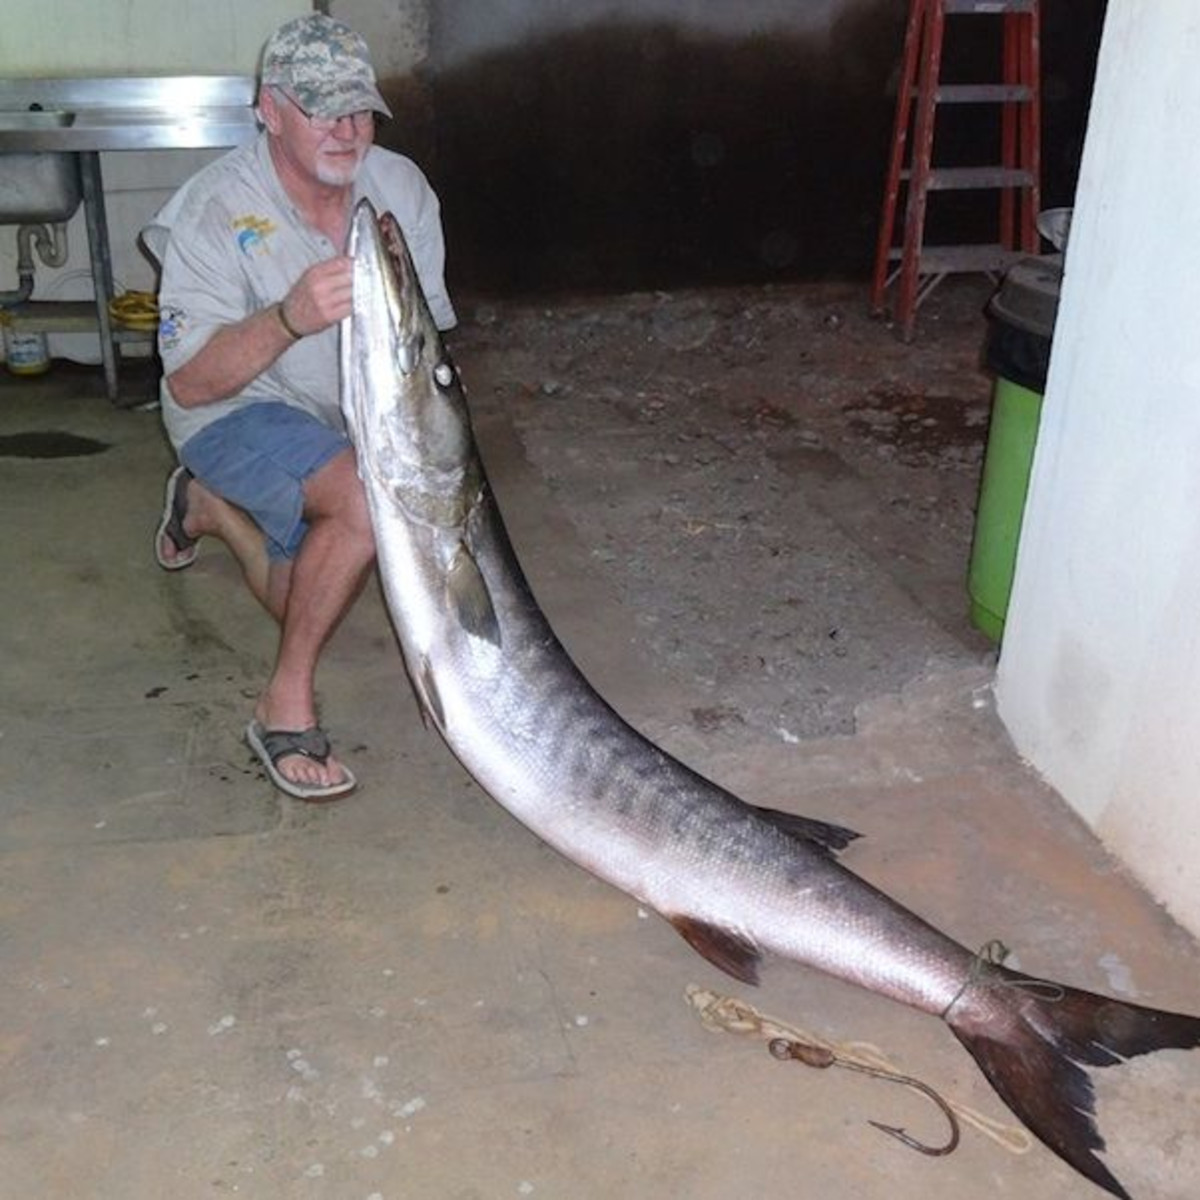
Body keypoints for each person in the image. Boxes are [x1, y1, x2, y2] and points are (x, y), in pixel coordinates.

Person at [146, 13, 457, 801]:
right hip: (232, 409)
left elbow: (427, 344)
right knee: (362, 500)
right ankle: (282, 705)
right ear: (269, 110)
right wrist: (289, 317)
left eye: (360, 109)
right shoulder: (211, 209)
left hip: (343, 421)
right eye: (322, 108)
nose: (346, 130)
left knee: (302, 596)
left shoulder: (402, 189)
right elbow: (190, 384)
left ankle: (208, 511)